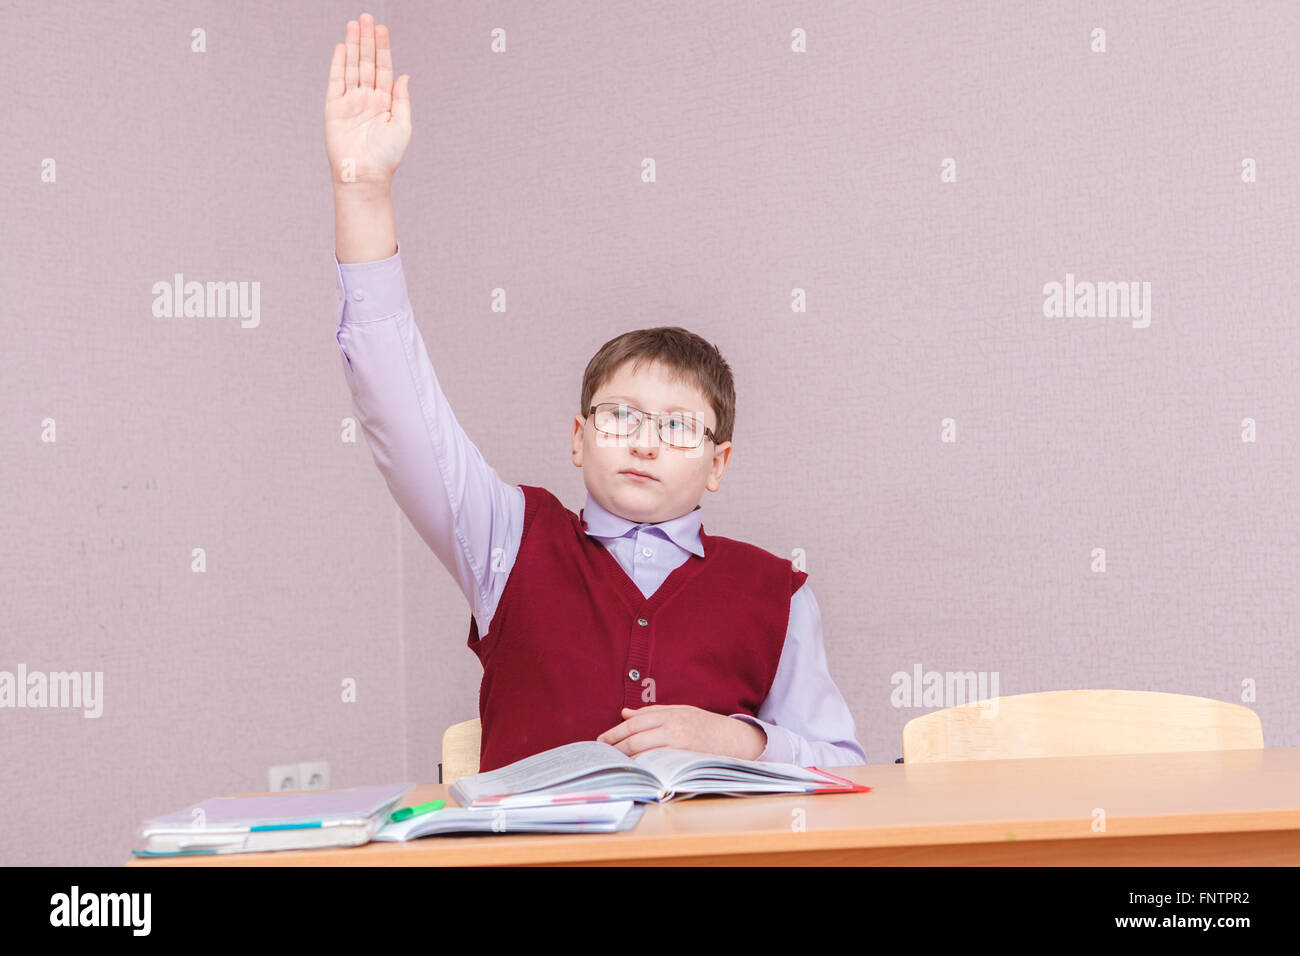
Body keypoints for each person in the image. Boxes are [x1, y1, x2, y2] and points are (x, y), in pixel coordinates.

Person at [324, 13, 866, 772]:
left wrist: (734, 737)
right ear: (578, 437)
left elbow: (845, 764)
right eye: (621, 417)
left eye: (679, 427)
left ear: (719, 462)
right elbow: (398, 406)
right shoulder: (506, 542)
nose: (646, 440)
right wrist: (363, 192)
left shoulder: (777, 594)